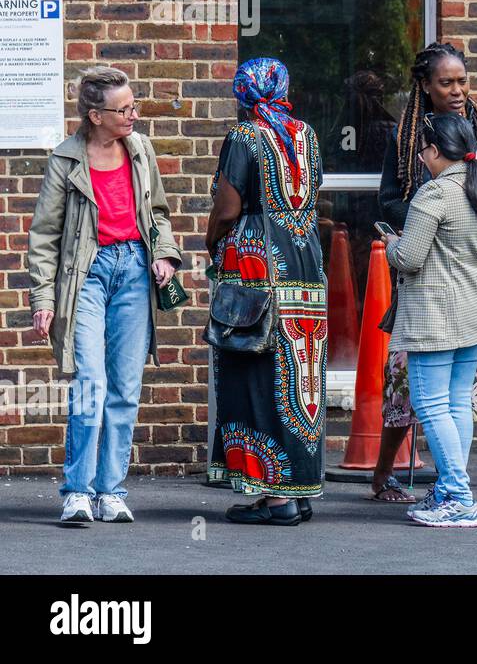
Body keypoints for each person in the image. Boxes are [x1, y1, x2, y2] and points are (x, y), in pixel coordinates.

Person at [373, 43, 477, 507]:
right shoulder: (406, 136)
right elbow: (387, 199)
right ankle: (398, 478)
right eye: (447, 82)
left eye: (463, 80)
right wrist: (431, 220)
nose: (459, 90)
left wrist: (469, 210)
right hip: (428, 276)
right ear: (425, 85)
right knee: (416, 386)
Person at [28, 66, 183, 524]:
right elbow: (44, 235)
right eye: (124, 109)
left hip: (134, 270)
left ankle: (110, 490)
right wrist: (44, 299)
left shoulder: (139, 150)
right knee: (90, 385)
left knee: (125, 389)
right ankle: (77, 491)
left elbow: (157, 211)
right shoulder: (65, 161)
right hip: (87, 275)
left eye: (133, 105)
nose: (133, 115)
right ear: (96, 115)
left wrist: (165, 254)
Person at [205, 58, 327, 526]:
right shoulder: (306, 135)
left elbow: (229, 207)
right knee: (299, 377)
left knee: (255, 373)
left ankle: (276, 500)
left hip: (257, 266)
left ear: (242, 93)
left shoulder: (244, 136)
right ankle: (295, 490)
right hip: (304, 265)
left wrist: (211, 238)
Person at [385, 112, 477, 528]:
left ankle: (461, 498)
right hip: (473, 314)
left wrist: (393, 243)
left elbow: (410, 258)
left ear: (434, 151)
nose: (419, 156)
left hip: (435, 318)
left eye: (421, 150)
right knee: (456, 404)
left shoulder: (433, 195)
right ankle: (452, 492)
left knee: (430, 405)